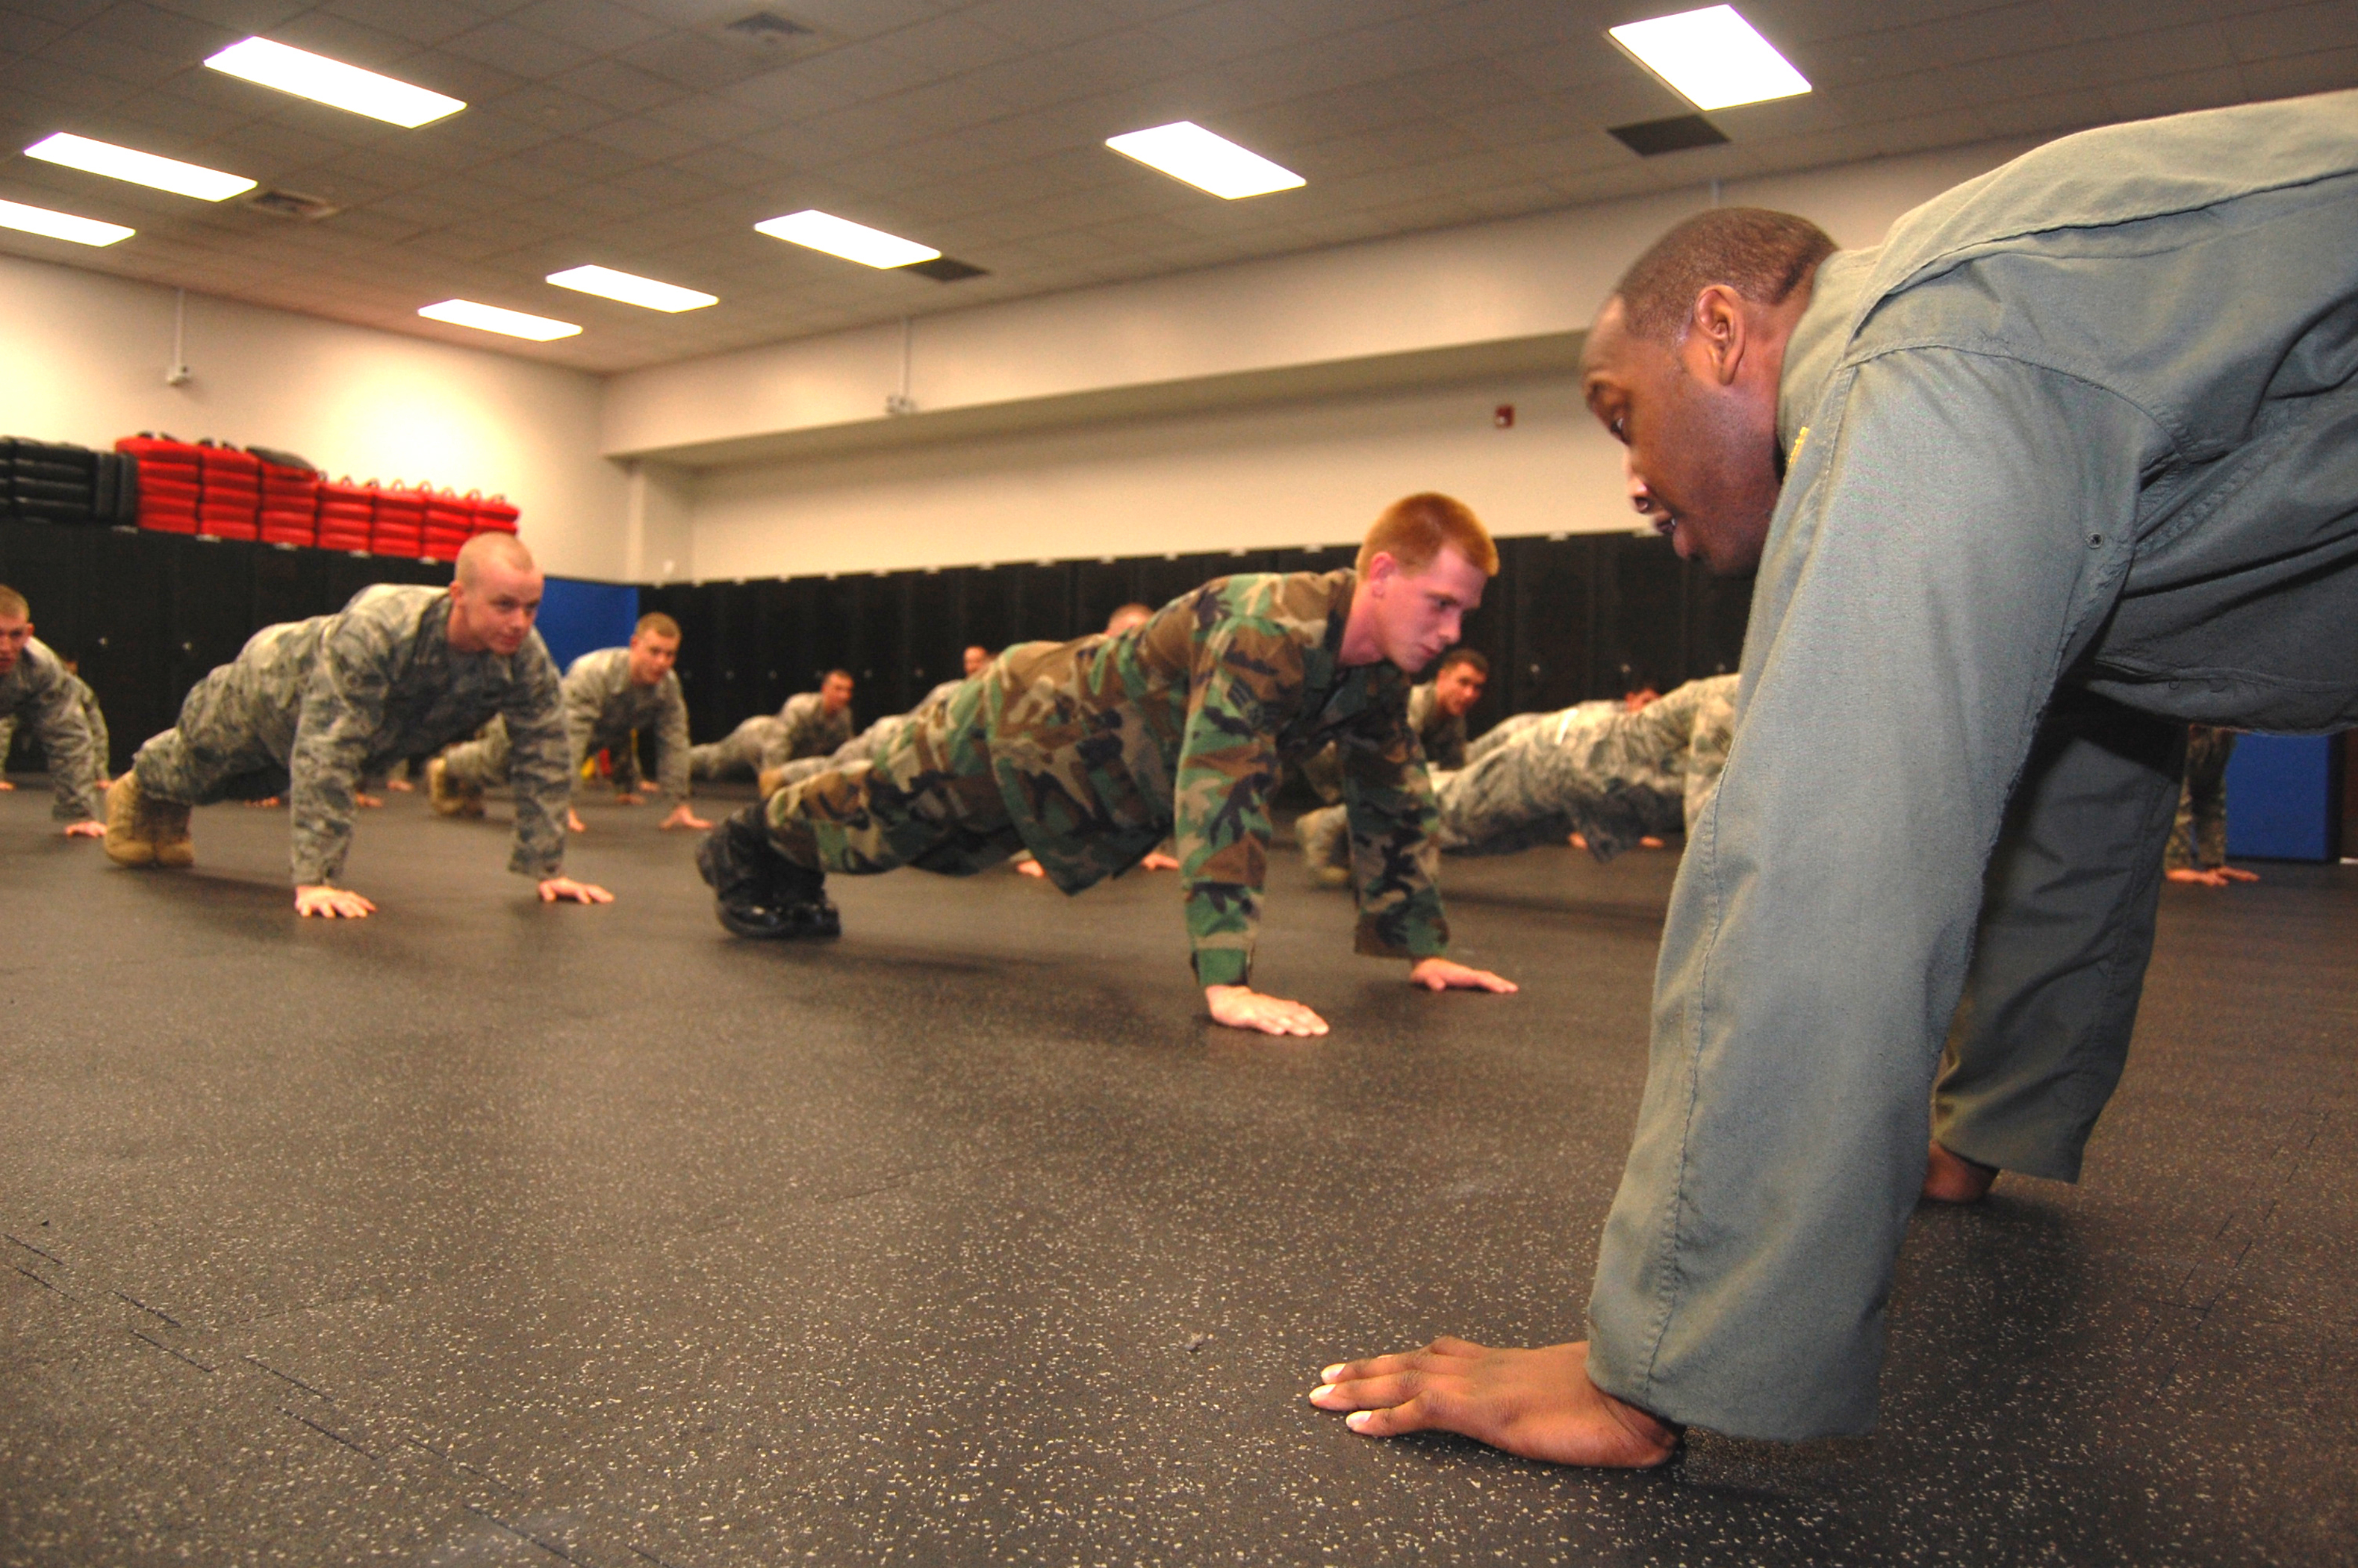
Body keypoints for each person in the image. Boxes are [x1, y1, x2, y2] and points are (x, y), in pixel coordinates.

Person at [1312, 90, 2358, 1464]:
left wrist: (1650, 1363)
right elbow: (2098, 734)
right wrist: (1982, 1125)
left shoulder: (1917, 346)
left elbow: (1819, 850)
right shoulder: (2007, 347)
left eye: (1618, 413)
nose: (1627, 475)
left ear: (1723, 334)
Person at [696, 494, 1521, 1036]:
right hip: (1019, 724)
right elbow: (1222, 787)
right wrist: (1224, 979)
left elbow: (1393, 797)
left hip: (1080, 781)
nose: (1451, 632)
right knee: (879, 820)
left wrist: (1419, 946)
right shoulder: (1267, 625)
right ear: (1381, 574)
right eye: (1439, 603)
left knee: (925, 848)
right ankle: (745, 843)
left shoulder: (1374, 673)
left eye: (1464, 612)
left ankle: (782, 855)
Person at [105, 534, 613, 918]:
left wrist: (550, 867)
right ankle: (139, 786)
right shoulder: (384, 627)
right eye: (504, 605)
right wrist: (317, 878)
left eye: (531, 608)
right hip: (270, 685)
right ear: (459, 594)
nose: (520, 623)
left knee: (252, 784)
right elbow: (329, 747)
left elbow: (544, 749)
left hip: (355, 731)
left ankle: (166, 806)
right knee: (200, 764)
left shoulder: (523, 657)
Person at [1298, 674, 1736, 881]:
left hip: (1593, 789)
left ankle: (1368, 837)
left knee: (1479, 839)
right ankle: (1339, 819)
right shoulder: (1732, 697)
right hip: (1562, 760)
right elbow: (1709, 813)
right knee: (1455, 810)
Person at [429, 612, 711, 835]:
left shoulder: (667, 686)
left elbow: (674, 740)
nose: (662, 662)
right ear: (635, 645)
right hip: (532, 728)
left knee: (496, 772)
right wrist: (563, 804)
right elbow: (570, 740)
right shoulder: (594, 674)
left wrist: (679, 803)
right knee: (495, 766)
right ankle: (445, 766)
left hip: (581, 739)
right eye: (654, 651)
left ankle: (463, 779)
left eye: (670, 654)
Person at [0, 587, 103, 839]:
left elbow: (68, 736)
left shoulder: (41, 667)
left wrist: (80, 812)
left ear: (29, 633)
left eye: (16, 635)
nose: (5, 647)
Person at [2165, 725, 2258, 886]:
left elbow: (2210, 798)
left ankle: (2213, 863)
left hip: (2214, 728)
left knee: (2211, 793)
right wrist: (2176, 866)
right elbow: (2176, 800)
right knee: (2177, 793)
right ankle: (2176, 862)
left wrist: (2214, 861)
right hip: (2189, 730)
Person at [771, 671, 855, 765]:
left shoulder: (844, 715)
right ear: (824, 689)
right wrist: (774, 776)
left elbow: (847, 749)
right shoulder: (800, 708)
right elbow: (778, 744)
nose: (844, 696)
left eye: (848, 690)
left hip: (797, 759)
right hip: (761, 744)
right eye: (838, 689)